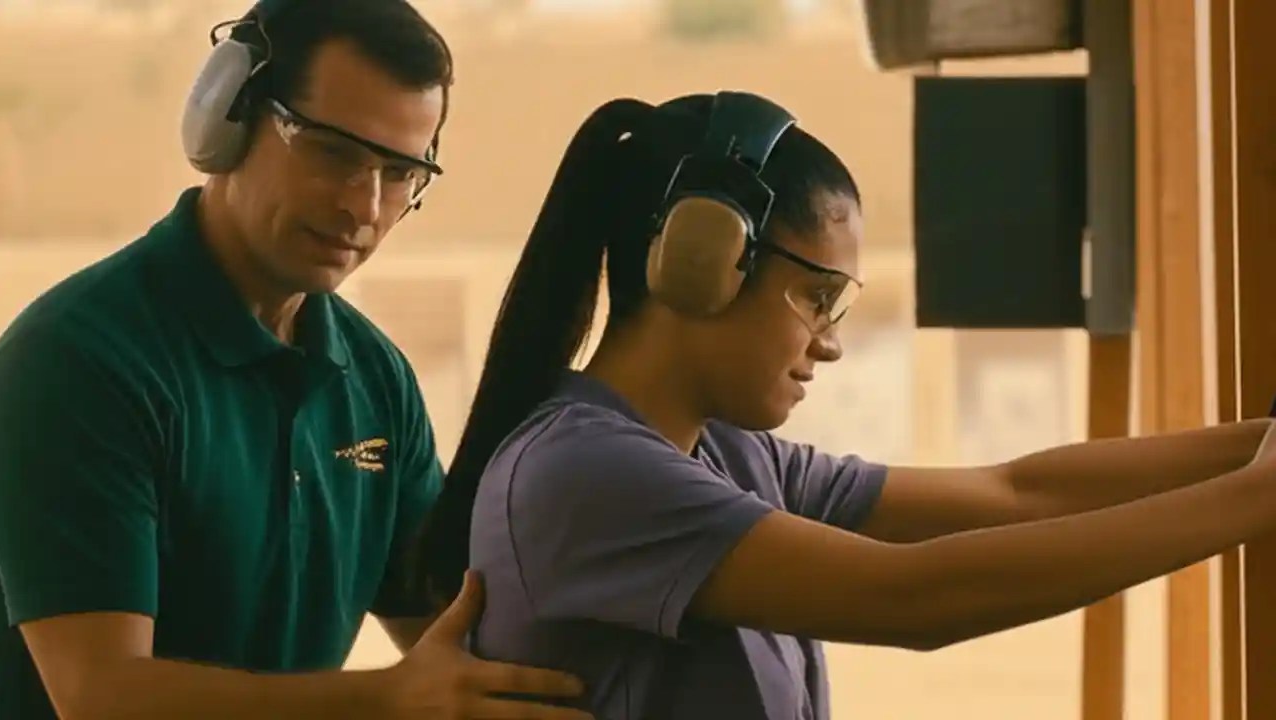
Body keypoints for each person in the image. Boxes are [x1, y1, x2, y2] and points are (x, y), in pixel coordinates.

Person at [413, 91, 1276, 719]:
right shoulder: (583, 473)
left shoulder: (724, 454)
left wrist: (1262, 446)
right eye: (815, 297)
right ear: (703, 259)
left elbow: (1016, 493)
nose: (828, 340)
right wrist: (1255, 497)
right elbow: (917, 597)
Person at [0, 1, 590, 719]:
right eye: (333, 152)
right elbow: (101, 697)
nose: (364, 207)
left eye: (400, 173)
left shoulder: (376, 379)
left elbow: (454, 634)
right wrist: (388, 702)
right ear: (226, 119)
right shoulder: (78, 363)